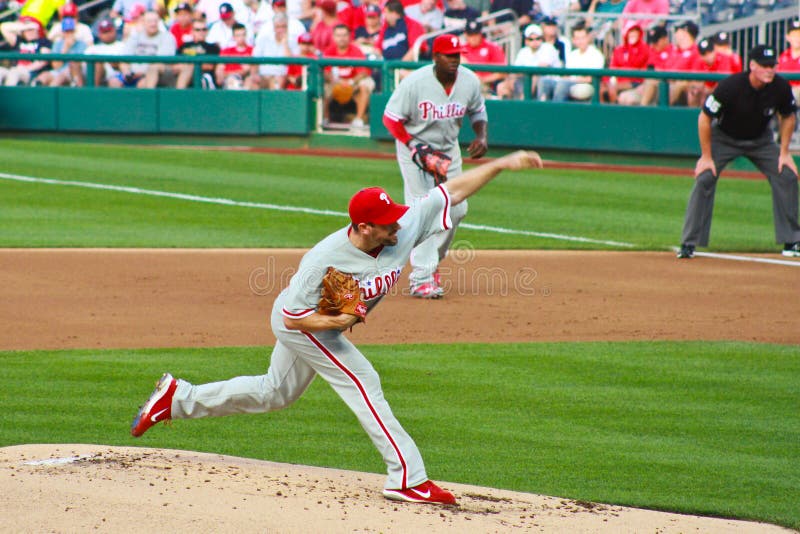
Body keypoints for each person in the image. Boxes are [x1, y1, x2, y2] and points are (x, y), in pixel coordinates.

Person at [130, 149, 545, 505]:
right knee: (363, 380)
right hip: (302, 324)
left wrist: (502, 164)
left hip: (318, 323)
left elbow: (451, 191)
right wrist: (340, 319)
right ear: (364, 228)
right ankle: (407, 477)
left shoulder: (400, 228)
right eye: (387, 223)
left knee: (274, 393)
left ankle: (177, 398)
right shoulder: (323, 260)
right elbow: (294, 318)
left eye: (396, 218)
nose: (397, 226)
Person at [382, 33, 489, 298]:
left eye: (457, 55)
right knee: (424, 210)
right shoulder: (415, 83)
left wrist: (481, 136)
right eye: (448, 55)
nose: (454, 60)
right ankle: (421, 278)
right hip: (415, 149)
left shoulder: (469, 81)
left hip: (448, 151)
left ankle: (431, 265)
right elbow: (391, 119)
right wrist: (411, 145)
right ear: (435, 57)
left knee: (458, 209)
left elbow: (478, 111)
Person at [677, 45, 800, 259]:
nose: (769, 70)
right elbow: (705, 118)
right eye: (764, 65)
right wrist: (706, 157)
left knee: (786, 175)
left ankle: (791, 241)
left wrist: (784, 152)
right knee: (705, 178)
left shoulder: (780, 87)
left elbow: (788, 116)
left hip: (761, 140)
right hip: (725, 138)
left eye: (772, 66)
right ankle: (689, 243)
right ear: (752, 66)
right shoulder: (731, 86)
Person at [322, 24, 375, 127]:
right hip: (335, 83)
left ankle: (359, 119)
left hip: (353, 83)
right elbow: (325, 72)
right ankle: (325, 118)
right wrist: (338, 82)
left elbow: (363, 72)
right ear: (333, 37)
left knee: (365, 84)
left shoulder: (356, 50)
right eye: (338, 35)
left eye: (344, 35)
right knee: (322, 87)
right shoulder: (329, 51)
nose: (341, 38)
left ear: (349, 36)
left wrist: (351, 82)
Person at [539, 22, 603, 102]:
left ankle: (556, 112)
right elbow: (567, 74)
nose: (580, 41)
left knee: (563, 85)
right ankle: (541, 110)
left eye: (583, 38)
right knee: (544, 82)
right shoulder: (572, 54)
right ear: (573, 40)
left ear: (588, 38)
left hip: (586, 85)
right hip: (570, 82)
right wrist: (568, 79)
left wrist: (574, 79)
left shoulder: (596, 54)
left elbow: (591, 78)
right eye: (577, 38)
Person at [496, 22, 560, 100]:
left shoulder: (548, 48)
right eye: (531, 39)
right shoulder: (523, 51)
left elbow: (541, 69)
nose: (535, 41)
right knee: (503, 85)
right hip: (525, 79)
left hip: (548, 81)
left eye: (538, 38)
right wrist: (510, 81)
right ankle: (506, 108)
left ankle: (523, 105)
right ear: (526, 41)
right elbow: (516, 70)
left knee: (533, 78)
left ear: (542, 39)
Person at [116, 10, 178, 88]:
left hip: (154, 75)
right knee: (114, 82)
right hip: (131, 74)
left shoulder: (167, 37)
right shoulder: (135, 36)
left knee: (143, 83)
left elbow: (161, 62)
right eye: (149, 21)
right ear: (143, 22)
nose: (153, 24)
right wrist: (127, 73)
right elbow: (124, 58)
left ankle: (149, 99)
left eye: (155, 21)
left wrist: (140, 73)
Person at [602, 21, 648, 104]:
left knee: (613, 88)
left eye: (635, 31)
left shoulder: (644, 49)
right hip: (620, 80)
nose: (632, 34)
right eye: (630, 31)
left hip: (635, 81)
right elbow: (613, 67)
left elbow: (639, 67)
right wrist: (607, 80)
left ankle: (616, 111)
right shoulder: (619, 50)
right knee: (602, 88)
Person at [32, 16, 86, 87]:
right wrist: (65, 49)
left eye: (71, 31)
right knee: (42, 78)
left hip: (73, 73)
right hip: (58, 71)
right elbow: (56, 66)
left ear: (74, 31)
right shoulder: (58, 44)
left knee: (59, 79)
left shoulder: (81, 44)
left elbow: (81, 66)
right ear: (62, 32)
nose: (69, 34)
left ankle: (50, 96)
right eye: (66, 31)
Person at [250, 12, 297, 89]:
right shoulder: (264, 39)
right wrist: (254, 75)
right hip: (263, 76)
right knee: (251, 83)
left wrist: (285, 43)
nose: (280, 30)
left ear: (287, 27)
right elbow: (254, 60)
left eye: (283, 27)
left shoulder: (292, 41)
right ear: (274, 27)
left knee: (277, 83)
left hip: (282, 77)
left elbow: (291, 63)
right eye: (278, 27)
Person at [460, 19, 507, 97]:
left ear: (481, 33)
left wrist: (483, 79)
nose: (473, 38)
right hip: (464, 86)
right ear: (465, 35)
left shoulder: (492, 47)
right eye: (470, 35)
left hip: (487, 87)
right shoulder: (461, 49)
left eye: (476, 34)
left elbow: (503, 72)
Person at [0, 17, 52, 86]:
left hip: (31, 72)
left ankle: (10, 96)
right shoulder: (19, 40)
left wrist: (25, 68)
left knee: (14, 73)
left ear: (36, 30)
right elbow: (3, 27)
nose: (29, 32)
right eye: (26, 30)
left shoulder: (43, 42)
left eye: (31, 29)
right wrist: (23, 27)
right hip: (14, 69)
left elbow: (43, 61)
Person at [174, 20, 221, 89]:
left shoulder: (212, 47)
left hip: (204, 76)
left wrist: (190, 65)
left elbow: (209, 66)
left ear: (207, 31)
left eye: (204, 29)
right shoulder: (184, 46)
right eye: (197, 30)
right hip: (183, 75)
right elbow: (175, 66)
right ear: (192, 31)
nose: (201, 32)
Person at [84, 18, 126, 87]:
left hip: (115, 77)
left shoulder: (122, 46)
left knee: (114, 82)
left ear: (114, 31)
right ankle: (90, 91)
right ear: (99, 34)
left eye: (109, 31)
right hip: (95, 77)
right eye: (105, 32)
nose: (108, 35)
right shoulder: (93, 48)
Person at [215, 22, 254, 88]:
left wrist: (228, 73)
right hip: (228, 81)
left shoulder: (252, 50)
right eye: (238, 35)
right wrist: (230, 74)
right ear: (233, 37)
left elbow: (247, 70)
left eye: (243, 35)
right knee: (232, 80)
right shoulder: (226, 51)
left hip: (245, 81)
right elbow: (219, 72)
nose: (241, 38)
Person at [777, 19, 800, 102]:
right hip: (784, 91)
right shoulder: (783, 56)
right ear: (788, 37)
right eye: (794, 35)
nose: (797, 38)